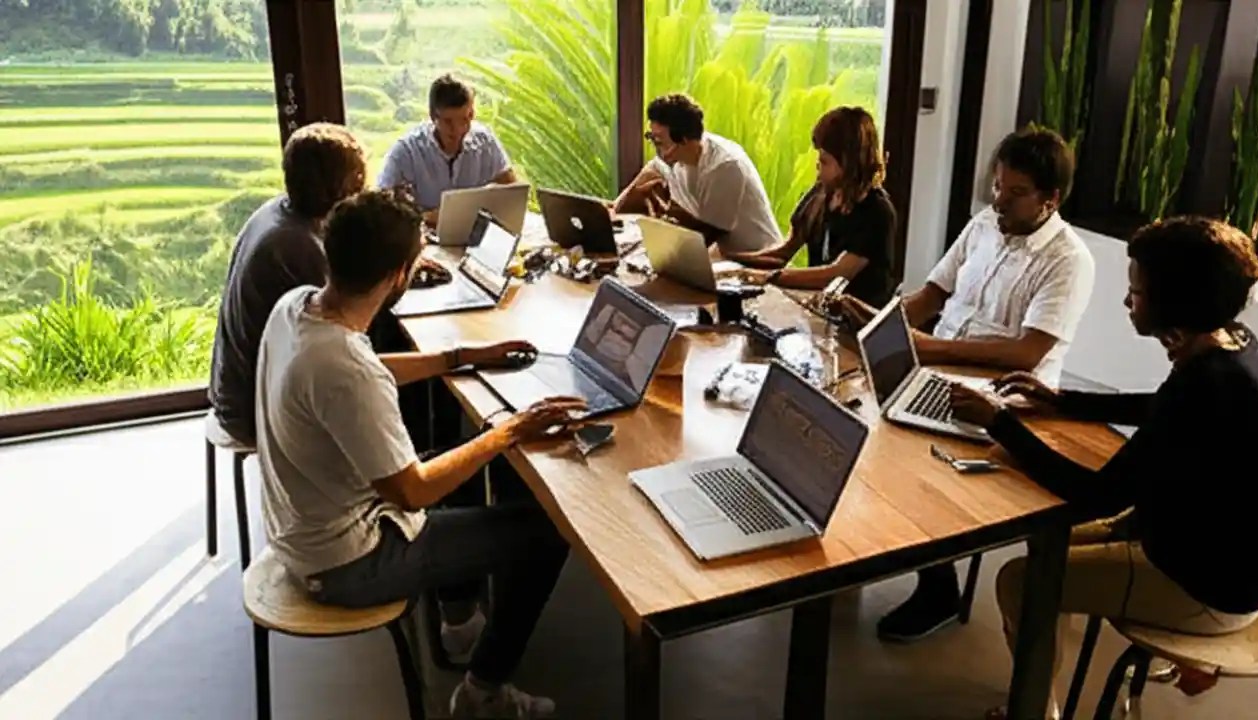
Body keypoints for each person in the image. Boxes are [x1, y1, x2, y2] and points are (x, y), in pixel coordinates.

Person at [256, 189, 581, 719]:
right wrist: (508, 430)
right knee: (548, 534)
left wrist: (461, 357)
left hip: (305, 522)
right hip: (347, 562)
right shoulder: (343, 369)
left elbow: (368, 365)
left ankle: (458, 625)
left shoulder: (298, 308)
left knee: (466, 461)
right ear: (400, 276)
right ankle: (483, 693)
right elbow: (415, 489)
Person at [949, 216, 1258, 719]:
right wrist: (1063, 402)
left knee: (1019, 581)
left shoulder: (1205, 385)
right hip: (1220, 555)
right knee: (1046, 539)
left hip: (1206, 587)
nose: (1128, 301)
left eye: (1138, 292)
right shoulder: (1233, 345)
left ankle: (1035, 712)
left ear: (1176, 302)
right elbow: (1161, 406)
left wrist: (1000, 424)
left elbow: (1097, 495)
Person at [832, 126, 1096, 642]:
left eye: (1016, 193)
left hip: (1005, 400)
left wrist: (927, 347)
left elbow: (1027, 352)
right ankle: (875, 555)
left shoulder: (1068, 260)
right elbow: (928, 299)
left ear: (1051, 199)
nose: (1000, 200)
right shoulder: (983, 226)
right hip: (939, 372)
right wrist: (879, 320)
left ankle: (938, 589)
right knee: (854, 410)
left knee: (904, 452)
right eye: (998, 186)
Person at [209, 122, 366, 446]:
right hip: (252, 409)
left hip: (233, 390)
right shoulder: (299, 247)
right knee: (375, 375)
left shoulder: (276, 213)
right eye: (358, 179)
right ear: (338, 186)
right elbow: (346, 329)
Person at [732, 106, 897, 306]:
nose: (818, 166)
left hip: (856, 324)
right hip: (819, 311)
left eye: (824, 160)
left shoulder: (876, 212)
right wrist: (734, 262)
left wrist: (769, 277)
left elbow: (837, 274)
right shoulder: (820, 194)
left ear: (849, 162)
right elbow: (783, 253)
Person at [614, 93, 783, 254]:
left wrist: (658, 232)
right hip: (719, 255)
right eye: (652, 139)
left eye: (660, 142)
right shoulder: (672, 159)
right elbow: (642, 182)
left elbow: (706, 236)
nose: (658, 150)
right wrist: (613, 212)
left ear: (684, 139)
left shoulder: (724, 167)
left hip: (756, 258)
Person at [376, 73, 518, 226]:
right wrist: (427, 217)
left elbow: (513, 192)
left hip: (475, 239)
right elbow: (381, 210)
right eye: (448, 121)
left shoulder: (485, 142)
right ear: (432, 116)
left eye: (465, 119)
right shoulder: (406, 152)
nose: (457, 130)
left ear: (472, 113)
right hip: (424, 240)